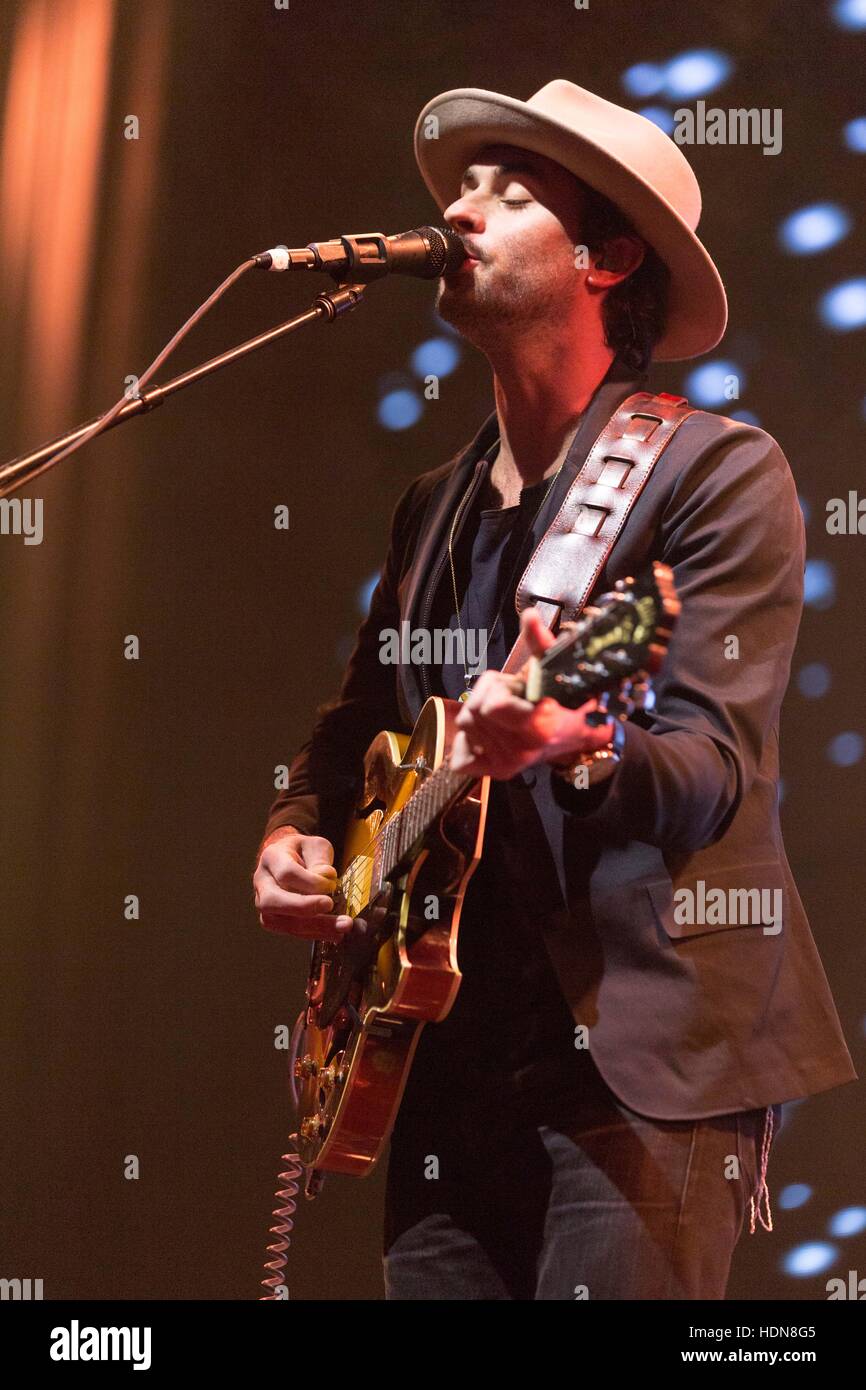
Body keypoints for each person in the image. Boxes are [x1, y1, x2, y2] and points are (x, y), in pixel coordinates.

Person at [252, 80, 856, 1300]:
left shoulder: (711, 471)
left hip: (637, 1065)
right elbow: (354, 730)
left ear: (607, 257)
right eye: (463, 185)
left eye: (510, 191)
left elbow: (711, 775)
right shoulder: (436, 504)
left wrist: (569, 749)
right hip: (442, 1058)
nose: (463, 211)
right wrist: (297, 834)